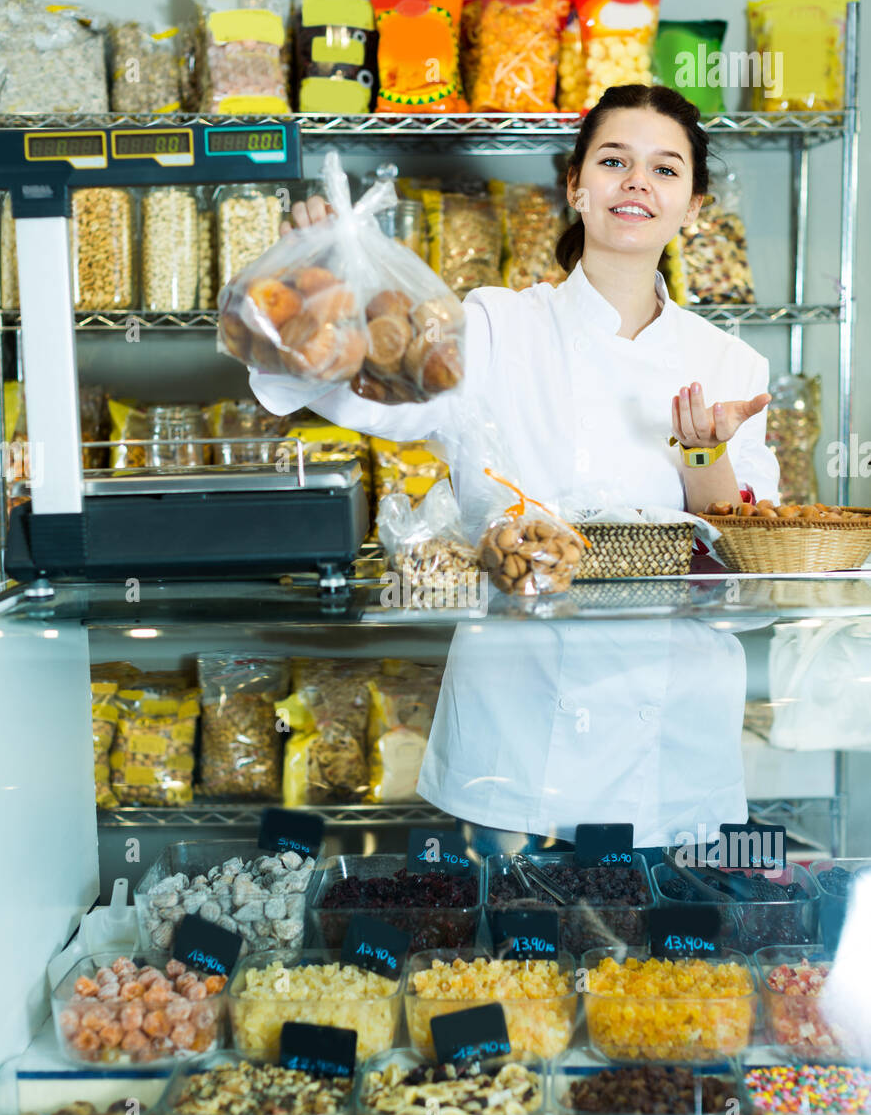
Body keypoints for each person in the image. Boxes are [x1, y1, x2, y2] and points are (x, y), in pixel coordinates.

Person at [250, 84, 779, 858]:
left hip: (670, 742)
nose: (637, 183)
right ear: (575, 185)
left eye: (666, 170)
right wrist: (314, 276)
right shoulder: (494, 327)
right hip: (520, 735)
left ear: (693, 205)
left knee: (662, 973)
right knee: (512, 960)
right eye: (613, 161)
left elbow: (751, 584)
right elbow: (344, 388)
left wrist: (705, 454)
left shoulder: (731, 363)